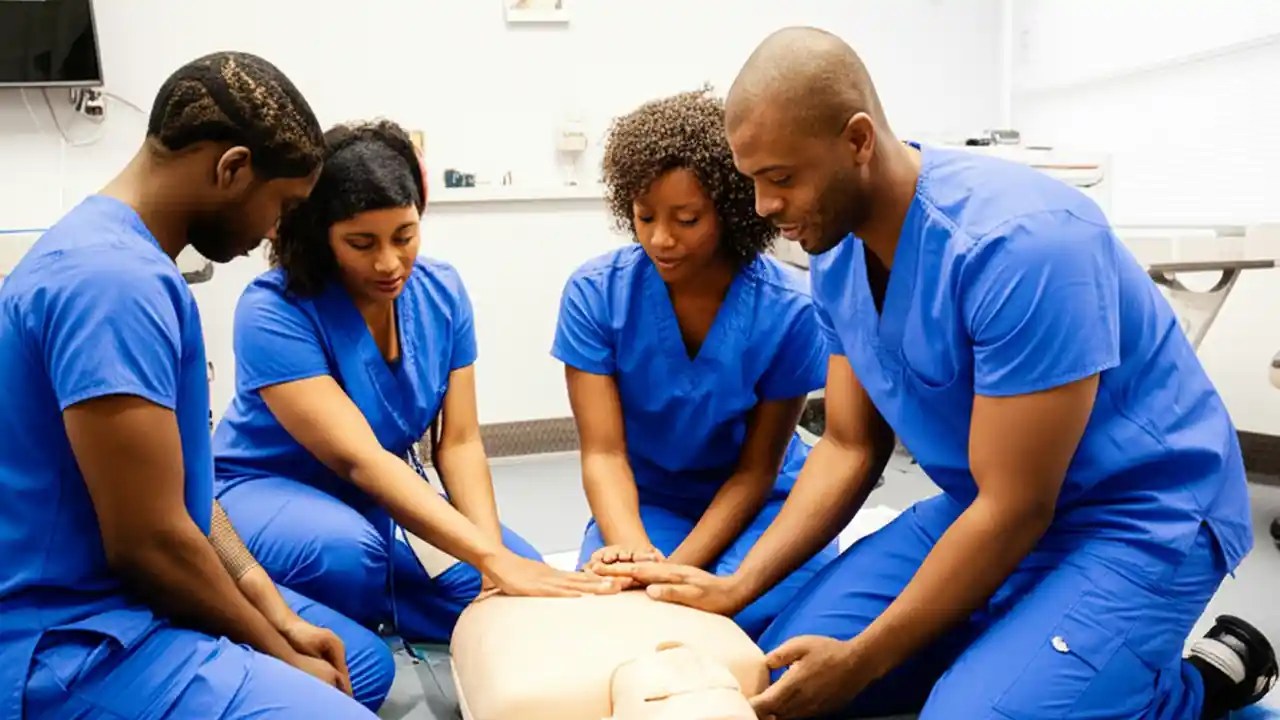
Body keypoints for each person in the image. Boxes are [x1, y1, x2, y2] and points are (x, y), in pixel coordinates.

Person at [596, 28, 1279, 720]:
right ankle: (1020, 654)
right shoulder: (836, 252)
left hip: (1136, 514)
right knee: (784, 665)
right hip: (979, 501)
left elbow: (1017, 508)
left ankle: (1201, 687)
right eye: (751, 181)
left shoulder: (1024, 246)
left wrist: (866, 656)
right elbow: (848, 445)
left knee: (964, 712)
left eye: (780, 179)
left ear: (858, 141)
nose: (764, 207)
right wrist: (735, 586)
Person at [0, 51, 386, 718]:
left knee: (363, 666)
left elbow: (183, 495)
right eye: (281, 206)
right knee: (333, 698)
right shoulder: (112, 284)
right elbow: (149, 542)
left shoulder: (125, 255)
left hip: (127, 592)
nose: (275, 231)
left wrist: (272, 609)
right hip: (66, 638)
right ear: (231, 168)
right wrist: (276, 651)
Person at [212, 118, 617, 649]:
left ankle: (382, 597)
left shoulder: (441, 292)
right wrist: (487, 557)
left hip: (382, 500)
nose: (388, 262)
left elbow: (462, 442)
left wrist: (492, 556)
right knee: (348, 554)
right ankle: (278, 605)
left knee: (522, 584)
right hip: (264, 490)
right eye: (361, 243)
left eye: (404, 236)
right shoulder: (273, 310)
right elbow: (361, 459)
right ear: (320, 233)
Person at [553, 88, 836, 639]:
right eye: (643, 216)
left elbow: (756, 472)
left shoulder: (790, 310)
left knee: (746, 611)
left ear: (730, 211)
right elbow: (604, 453)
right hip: (646, 500)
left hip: (761, 506)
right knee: (614, 606)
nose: (661, 238)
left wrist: (673, 572)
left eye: (686, 219)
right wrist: (635, 551)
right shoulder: (595, 294)